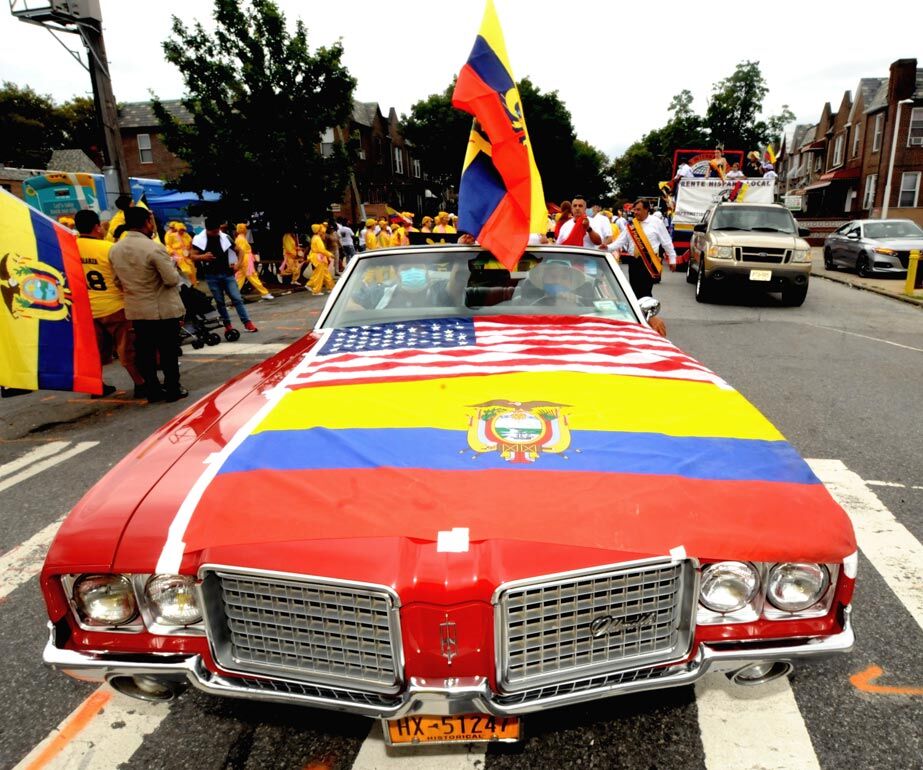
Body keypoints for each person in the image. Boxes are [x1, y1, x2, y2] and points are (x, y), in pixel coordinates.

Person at [108, 207, 186, 403]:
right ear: (146, 223)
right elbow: (170, 280)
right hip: (161, 309)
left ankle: (152, 389)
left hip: (136, 309)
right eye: (151, 221)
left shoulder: (115, 249)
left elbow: (117, 281)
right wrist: (174, 269)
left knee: (145, 352)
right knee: (168, 351)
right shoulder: (154, 248)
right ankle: (172, 388)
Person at [74, 209, 146, 399]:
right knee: (126, 348)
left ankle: (96, 386)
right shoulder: (108, 248)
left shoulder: (70, 248)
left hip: (86, 308)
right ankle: (140, 383)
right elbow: (123, 276)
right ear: (97, 227)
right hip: (114, 306)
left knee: (94, 351)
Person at [191, 217, 258, 333]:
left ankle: (247, 322)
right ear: (207, 229)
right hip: (211, 275)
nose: (216, 233)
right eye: (214, 231)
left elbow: (240, 251)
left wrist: (238, 264)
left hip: (227, 273)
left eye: (218, 230)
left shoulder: (225, 237)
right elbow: (192, 255)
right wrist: (202, 257)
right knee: (220, 302)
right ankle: (228, 325)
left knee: (237, 298)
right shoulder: (199, 240)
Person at [607, 199, 677, 300]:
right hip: (633, 261)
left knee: (645, 292)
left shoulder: (656, 223)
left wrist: (672, 259)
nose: (635, 212)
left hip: (649, 261)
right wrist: (608, 248)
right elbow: (621, 241)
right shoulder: (632, 224)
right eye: (634, 210)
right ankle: (640, 313)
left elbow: (666, 242)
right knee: (634, 292)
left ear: (646, 209)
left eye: (638, 210)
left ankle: (646, 313)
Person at [514, 258, 595, 306]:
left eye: (564, 277)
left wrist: (574, 304)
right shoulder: (522, 303)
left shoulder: (582, 304)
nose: (558, 281)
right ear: (543, 280)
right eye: (552, 276)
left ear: (571, 283)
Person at [234, 223, 273, 299]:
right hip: (246, 260)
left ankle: (234, 295)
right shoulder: (241, 239)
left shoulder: (240, 238)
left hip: (244, 260)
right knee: (253, 277)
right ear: (244, 229)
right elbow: (241, 251)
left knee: (240, 278)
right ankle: (264, 293)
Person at [307, 223, 336, 295]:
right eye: (321, 230)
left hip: (319, 257)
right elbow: (322, 250)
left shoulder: (315, 237)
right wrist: (330, 254)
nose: (322, 232)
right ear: (318, 231)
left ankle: (331, 287)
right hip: (319, 257)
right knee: (319, 275)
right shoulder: (317, 238)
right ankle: (316, 290)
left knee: (325, 273)